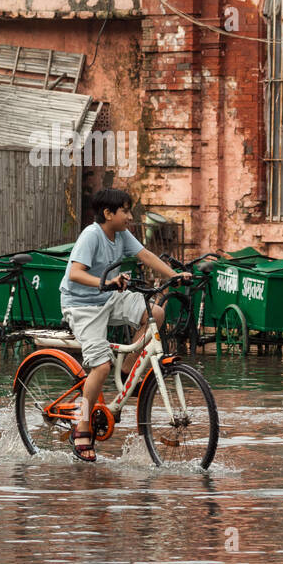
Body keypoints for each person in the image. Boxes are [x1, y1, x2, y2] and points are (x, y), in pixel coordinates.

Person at [59, 188, 188, 462]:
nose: (130, 217)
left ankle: (128, 374)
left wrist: (176, 275)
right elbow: (75, 273)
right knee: (102, 366)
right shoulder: (92, 235)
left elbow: (147, 256)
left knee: (155, 313)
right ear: (108, 214)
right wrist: (105, 283)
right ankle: (82, 427)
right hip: (82, 305)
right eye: (126, 211)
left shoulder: (121, 235)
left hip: (110, 298)